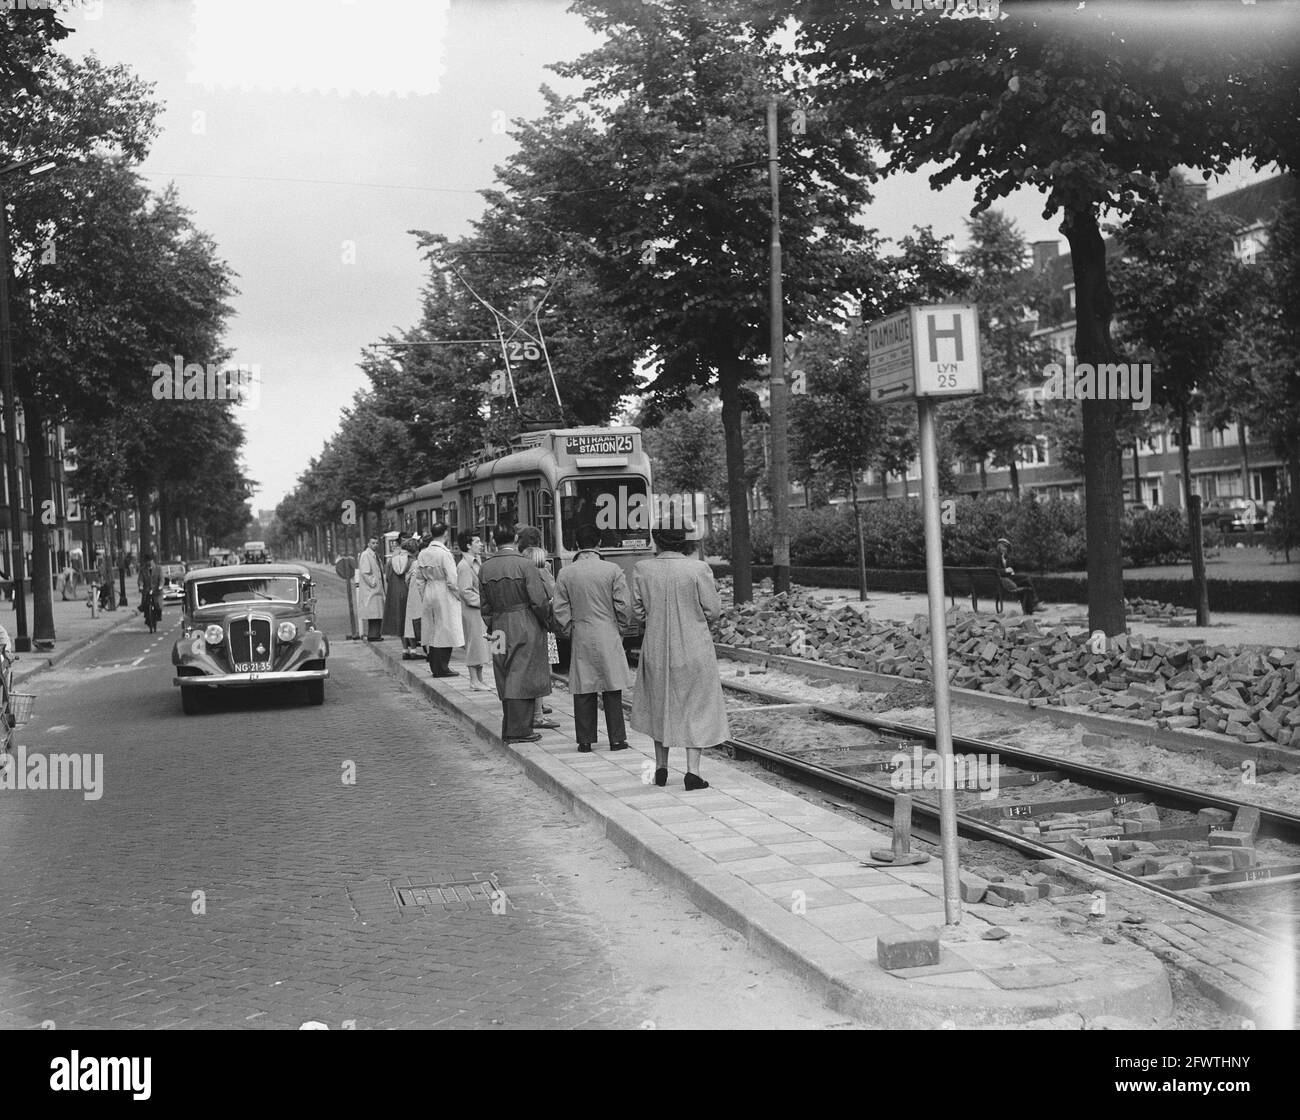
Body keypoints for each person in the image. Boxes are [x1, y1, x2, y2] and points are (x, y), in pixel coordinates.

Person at [630, 523, 728, 791]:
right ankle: (692, 772)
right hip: (694, 646)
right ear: (684, 541)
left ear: (656, 541)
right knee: (696, 705)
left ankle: (661, 768)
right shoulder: (698, 569)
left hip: (656, 646)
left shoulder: (642, 569)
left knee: (659, 702)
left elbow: (637, 612)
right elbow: (713, 610)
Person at [553, 522, 633, 753]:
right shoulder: (613, 570)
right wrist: (620, 628)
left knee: (583, 687)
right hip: (608, 630)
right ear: (599, 543)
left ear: (577, 544)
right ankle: (617, 739)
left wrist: (570, 629)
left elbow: (560, 608)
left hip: (582, 631)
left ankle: (585, 740)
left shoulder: (566, 573)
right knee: (612, 686)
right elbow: (624, 606)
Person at [479, 523, 552, 744]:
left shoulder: (485, 567)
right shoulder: (525, 565)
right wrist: (546, 621)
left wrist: (492, 625)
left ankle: (510, 724)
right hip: (524, 624)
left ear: (494, 541)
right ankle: (519, 729)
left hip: (498, 627)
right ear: (516, 539)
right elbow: (539, 600)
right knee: (524, 672)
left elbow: (484, 606)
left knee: (503, 671)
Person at [414, 523, 463, 677]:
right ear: (445, 534)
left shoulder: (423, 553)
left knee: (432, 630)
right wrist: (458, 596)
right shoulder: (445, 554)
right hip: (444, 591)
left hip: (429, 589)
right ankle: (443, 667)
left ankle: (435, 666)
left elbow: (419, 578)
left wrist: (424, 595)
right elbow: (452, 579)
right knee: (446, 628)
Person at [522, 543, 560, 731]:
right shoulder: (542, 573)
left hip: (526, 626)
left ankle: (535, 709)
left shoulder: (523, 573)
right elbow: (553, 595)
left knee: (531, 669)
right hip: (542, 626)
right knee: (543, 669)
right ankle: (538, 713)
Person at [456, 530, 492, 691]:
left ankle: (480, 679)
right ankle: (473, 680)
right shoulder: (464, 565)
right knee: (473, 643)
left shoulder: (476, 561)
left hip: (478, 610)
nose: (481, 544)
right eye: (477, 542)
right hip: (472, 611)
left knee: (480, 644)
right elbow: (465, 591)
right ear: (468, 545)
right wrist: (483, 602)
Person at [986, 536, 1040, 614]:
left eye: (1007, 547)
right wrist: (1006, 570)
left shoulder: (1001, 555)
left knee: (1026, 581)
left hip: (1002, 579)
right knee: (1026, 581)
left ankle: (1031, 608)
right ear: (999, 545)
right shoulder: (994, 555)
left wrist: (1008, 568)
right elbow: (992, 571)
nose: (1006, 549)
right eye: (1004, 546)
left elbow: (997, 569)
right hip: (1001, 581)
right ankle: (1033, 606)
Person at [357, 535, 386, 640]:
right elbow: (365, 572)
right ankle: (373, 635)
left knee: (377, 613)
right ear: (368, 544)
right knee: (374, 614)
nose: (375, 545)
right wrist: (373, 582)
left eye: (376, 543)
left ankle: (376, 634)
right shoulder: (366, 555)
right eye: (373, 543)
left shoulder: (375, 555)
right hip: (372, 590)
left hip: (376, 590)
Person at [382, 535, 411, 639]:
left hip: (396, 592)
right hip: (409, 591)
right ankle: (413, 648)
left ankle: (405, 649)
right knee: (410, 619)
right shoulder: (411, 559)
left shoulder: (391, 559)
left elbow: (388, 577)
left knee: (400, 620)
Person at [401, 538, 424, 658]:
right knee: (416, 620)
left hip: (405, 593)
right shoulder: (415, 562)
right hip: (415, 594)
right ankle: (416, 650)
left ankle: (406, 649)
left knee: (407, 622)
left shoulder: (402, 560)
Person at [137, 553, 162, 634]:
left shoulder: (158, 568)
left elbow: (161, 579)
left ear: (152, 561)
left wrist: (160, 586)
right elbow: (140, 579)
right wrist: (140, 586)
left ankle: (158, 616)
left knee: (158, 604)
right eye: (147, 561)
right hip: (147, 590)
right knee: (144, 603)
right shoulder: (142, 569)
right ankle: (147, 617)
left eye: (150, 561)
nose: (148, 563)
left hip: (156, 590)